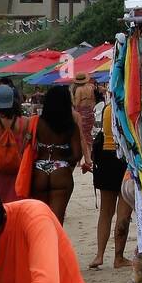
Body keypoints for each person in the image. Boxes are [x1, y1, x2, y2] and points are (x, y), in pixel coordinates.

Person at [28, 84, 87, 225]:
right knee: (56, 222)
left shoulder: (37, 123)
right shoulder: (71, 126)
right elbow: (77, 155)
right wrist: (63, 158)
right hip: (61, 171)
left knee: (40, 221)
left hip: (39, 171)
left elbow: (27, 146)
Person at [90, 94, 132, 269]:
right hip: (123, 160)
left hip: (106, 161)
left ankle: (99, 255)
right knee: (124, 213)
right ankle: (118, 257)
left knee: (105, 213)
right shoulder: (128, 105)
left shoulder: (107, 108)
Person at [71, 72, 96, 159]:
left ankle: (86, 156)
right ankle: (90, 153)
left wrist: (72, 101)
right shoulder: (90, 88)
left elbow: (77, 103)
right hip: (90, 112)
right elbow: (93, 101)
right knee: (88, 134)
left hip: (82, 113)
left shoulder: (79, 90)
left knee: (82, 135)